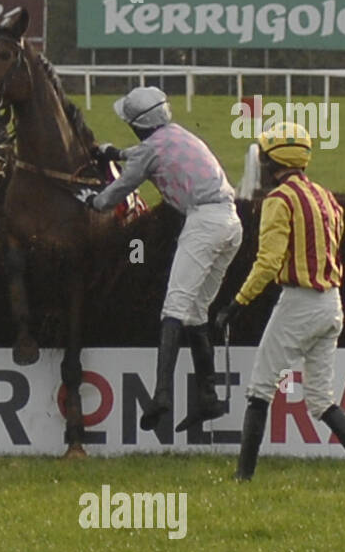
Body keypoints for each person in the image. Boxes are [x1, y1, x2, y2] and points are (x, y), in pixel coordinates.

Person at [214, 122, 345, 482]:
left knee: (260, 388)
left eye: (263, 158)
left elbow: (268, 262)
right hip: (331, 303)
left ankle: (243, 477)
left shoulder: (278, 201)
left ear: (273, 161)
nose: (260, 165)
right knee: (321, 400)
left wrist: (236, 303)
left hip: (299, 303)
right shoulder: (326, 196)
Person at [77, 86, 242, 432]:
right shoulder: (178, 134)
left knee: (173, 309)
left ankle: (162, 395)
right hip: (231, 223)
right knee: (196, 312)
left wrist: (91, 201)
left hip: (204, 223)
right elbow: (146, 154)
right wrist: (115, 152)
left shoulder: (147, 151)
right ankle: (208, 397)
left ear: (138, 125)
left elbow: (116, 194)